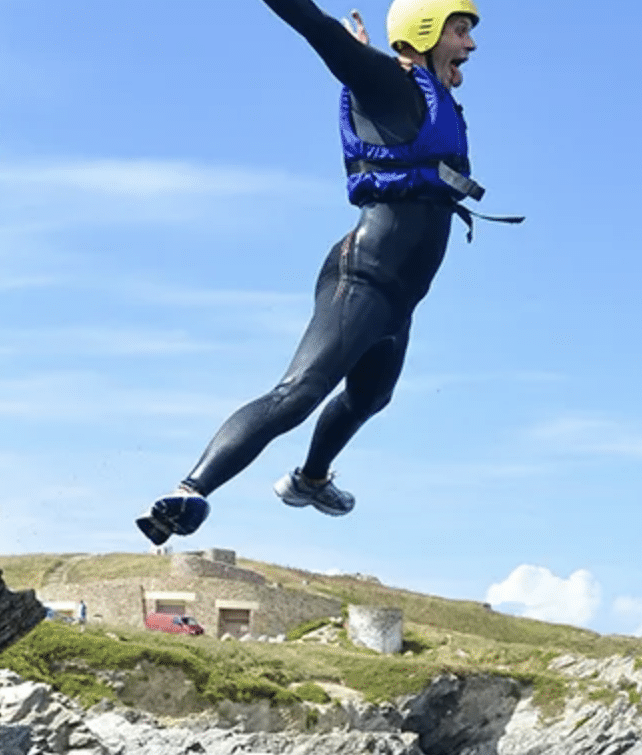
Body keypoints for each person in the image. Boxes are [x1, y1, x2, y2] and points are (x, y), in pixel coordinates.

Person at [135, 0, 515, 545]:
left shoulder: (435, 101)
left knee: (369, 399)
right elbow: (313, 26)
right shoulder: (385, 82)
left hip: (399, 299)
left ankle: (309, 480)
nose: (470, 45)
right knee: (300, 391)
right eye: (460, 31)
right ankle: (190, 491)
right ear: (425, 32)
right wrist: (353, 52)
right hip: (361, 278)